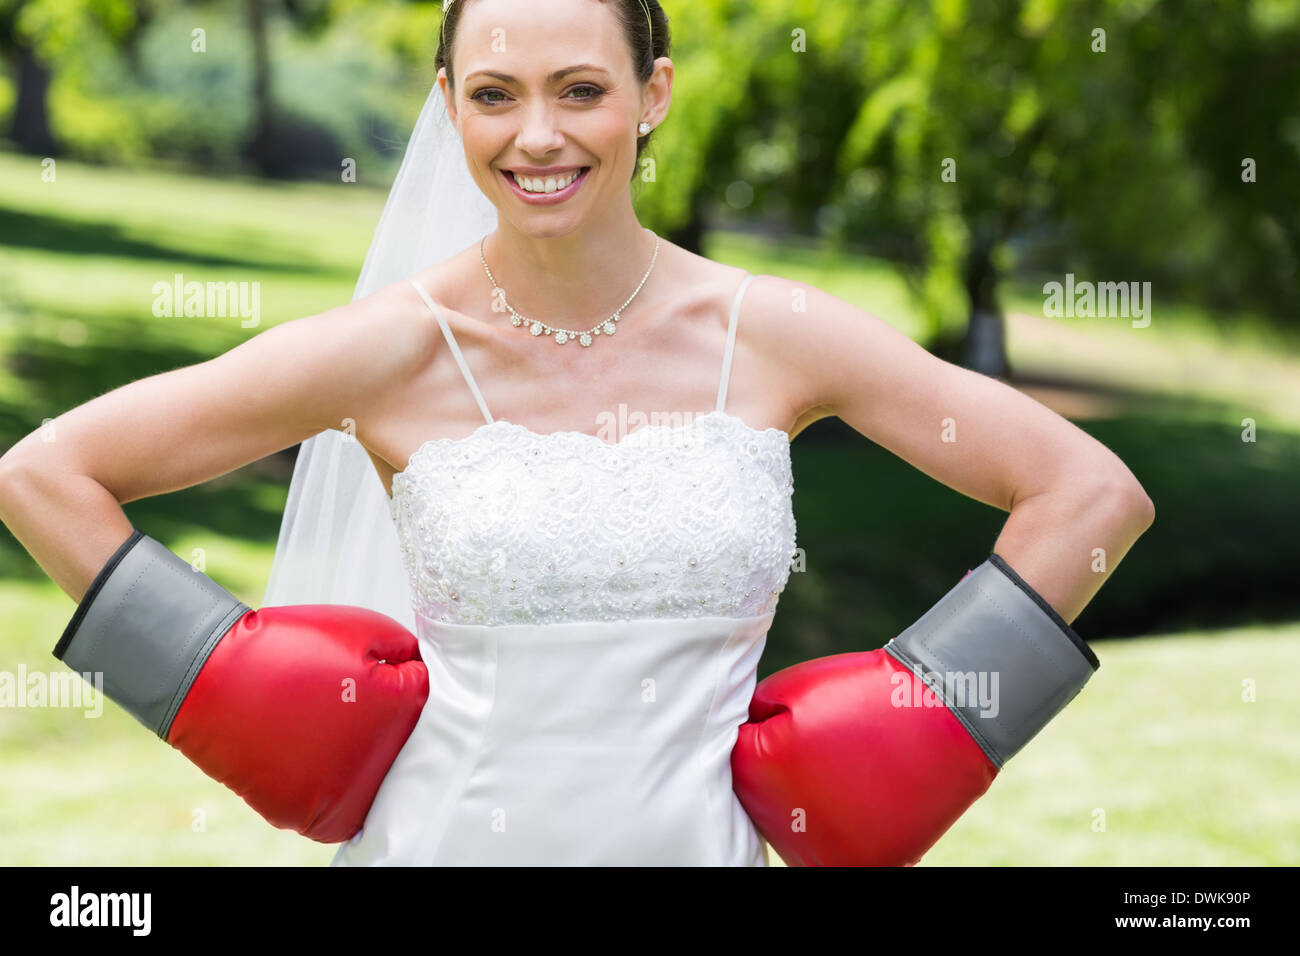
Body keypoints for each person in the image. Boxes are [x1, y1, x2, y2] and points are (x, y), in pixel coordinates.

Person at [0, 0, 1154, 866]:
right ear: (449, 102)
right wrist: (229, 695)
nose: (537, 136)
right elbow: (46, 474)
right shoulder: (388, 347)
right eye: (495, 94)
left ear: (652, 94)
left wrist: (918, 722)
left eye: (580, 90)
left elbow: (1089, 496)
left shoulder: (776, 331)